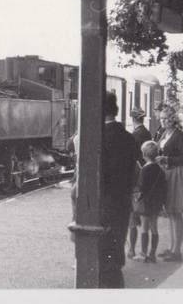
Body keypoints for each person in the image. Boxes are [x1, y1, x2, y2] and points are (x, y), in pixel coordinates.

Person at [71, 91, 139, 288]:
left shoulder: (95, 140)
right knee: (114, 259)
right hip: (122, 206)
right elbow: (135, 173)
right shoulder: (129, 138)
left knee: (97, 262)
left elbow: (85, 180)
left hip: (98, 209)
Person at [155, 107, 183, 263]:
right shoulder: (164, 134)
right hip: (166, 173)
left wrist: (167, 160)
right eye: (161, 118)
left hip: (175, 173)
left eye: (166, 118)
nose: (163, 121)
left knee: (176, 211)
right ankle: (172, 247)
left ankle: (177, 250)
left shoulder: (180, 136)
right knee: (170, 212)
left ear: (173, 119)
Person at [133, 141, 167, 263]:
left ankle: (143, 253)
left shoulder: (145, 170)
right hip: (156, 203)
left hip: (146, 202)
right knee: (154, 228)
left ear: (144, 155)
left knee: (144, 228)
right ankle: (152, 254)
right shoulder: (160, 170)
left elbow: (141, 187)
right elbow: (164, 187)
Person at [126, 107, 152, 259]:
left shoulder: (135, 134)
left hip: (136, 175)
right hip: (145, 173)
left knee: (133, 216)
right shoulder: (147, 132)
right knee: (145, 216)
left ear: (133, 119)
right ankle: (144, 251)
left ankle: (132, 249)